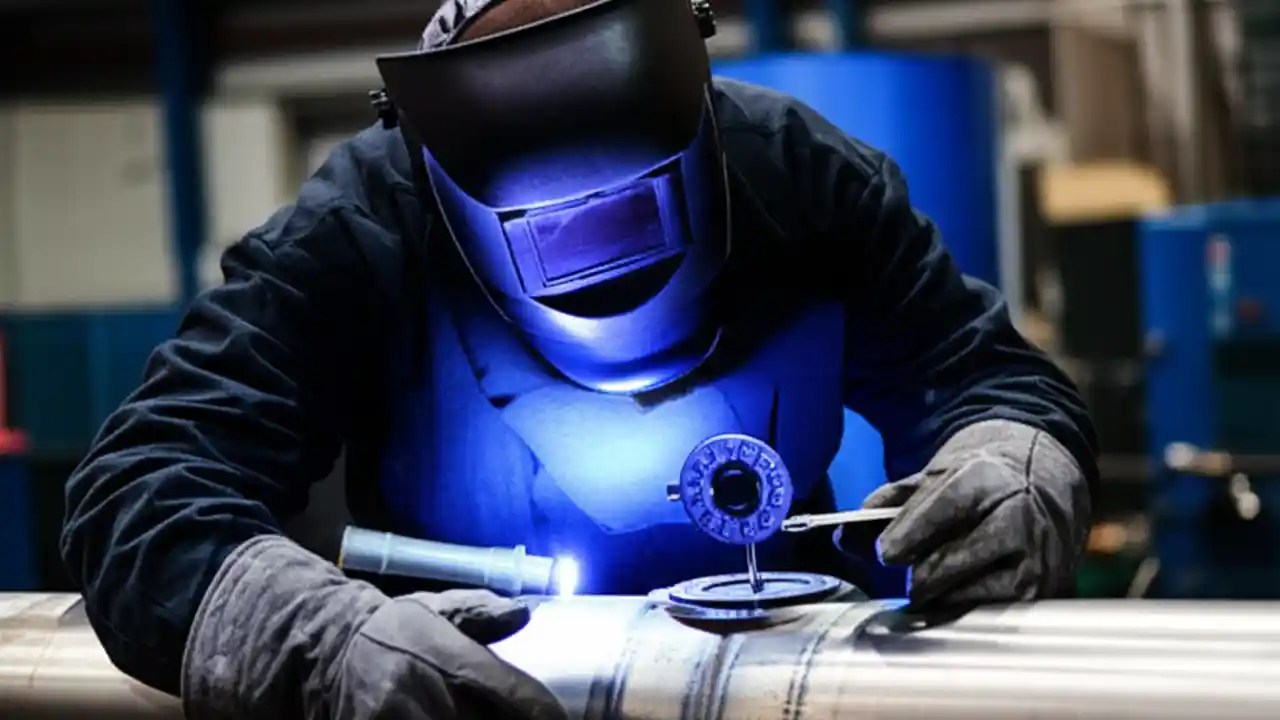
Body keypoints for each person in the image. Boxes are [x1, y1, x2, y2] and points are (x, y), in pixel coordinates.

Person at [60, 0, 1098, 718]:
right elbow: (145, 487)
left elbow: (980, 375)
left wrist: (1011, 458)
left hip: (786, 676)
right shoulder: (366, 225)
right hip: (468, 692)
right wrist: (312, 643)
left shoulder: (791, 175)